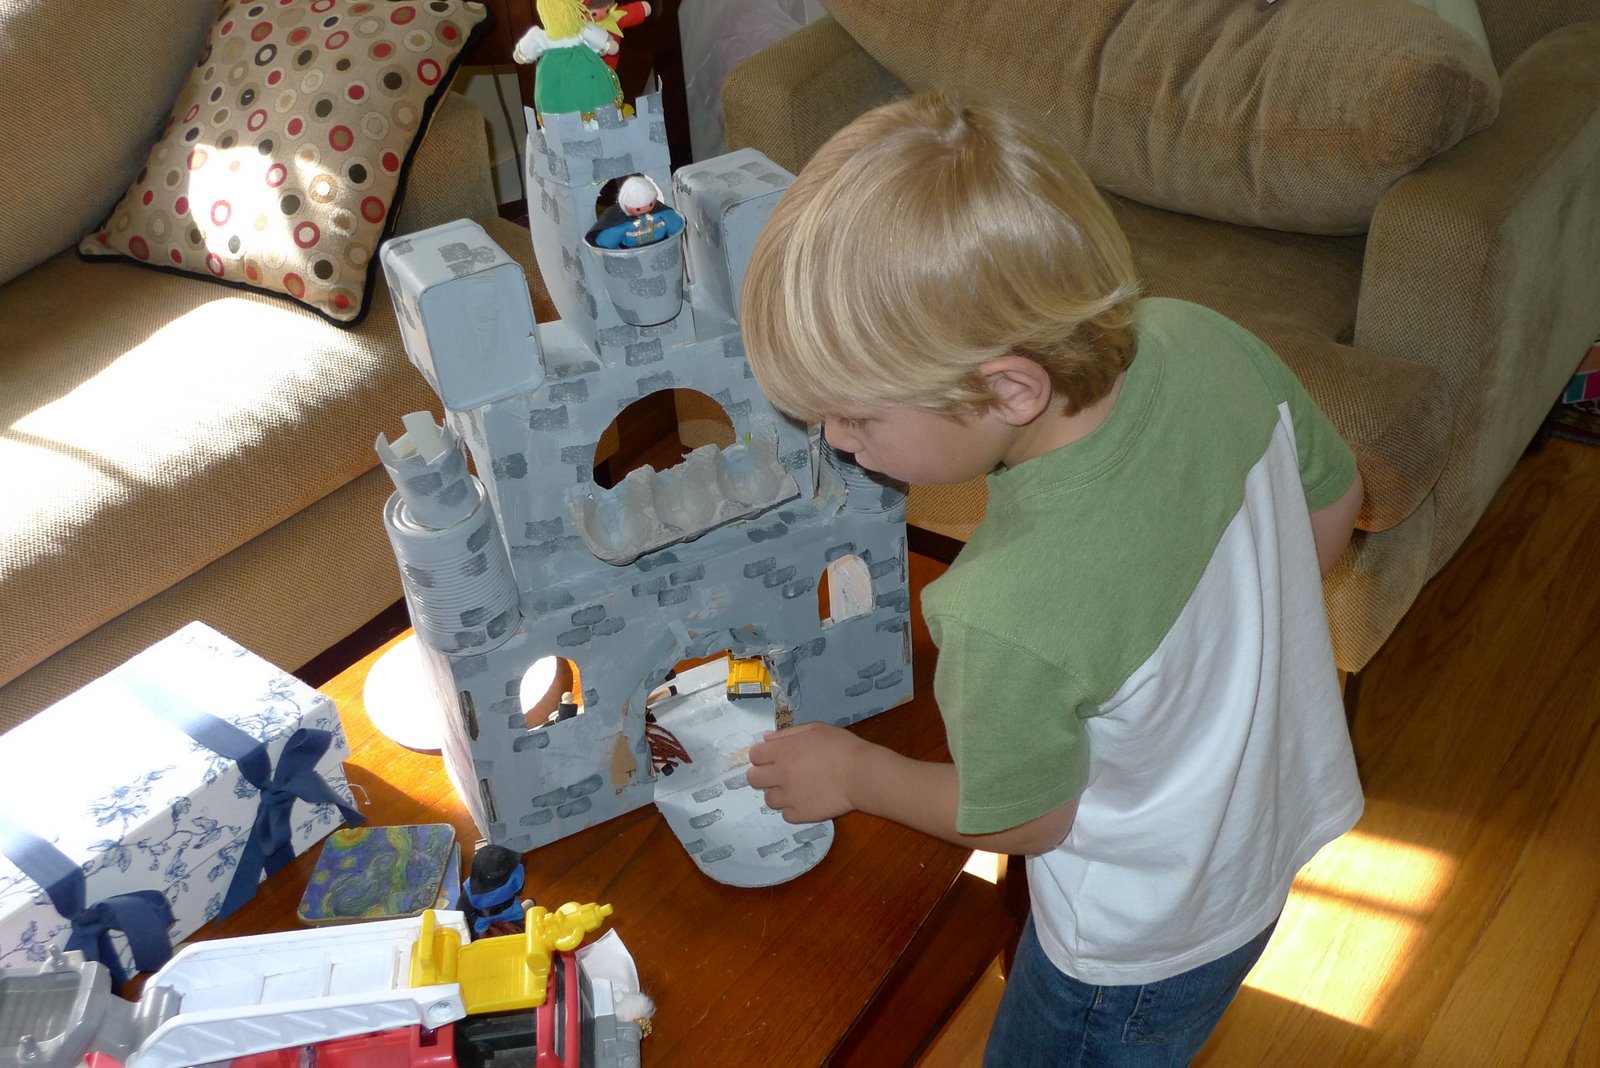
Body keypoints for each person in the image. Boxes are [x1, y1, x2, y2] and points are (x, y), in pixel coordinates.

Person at [739, 91, 1365, 1066]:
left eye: (856, 418)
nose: (836, 440)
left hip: (1131, 946)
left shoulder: (997, 610)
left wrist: (856, 772)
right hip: (1268, 832)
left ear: (1008, 389)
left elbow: (1026, 816)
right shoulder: (1200, 337)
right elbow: (1331, 498)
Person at [586, 174, 685, 249]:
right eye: (638, 209)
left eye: (650, 204)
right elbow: (607, 241)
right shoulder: (621, 222)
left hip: (662, 245)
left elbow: (675, 226)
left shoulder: (661, 212)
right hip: (632, 253)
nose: (644, 211)